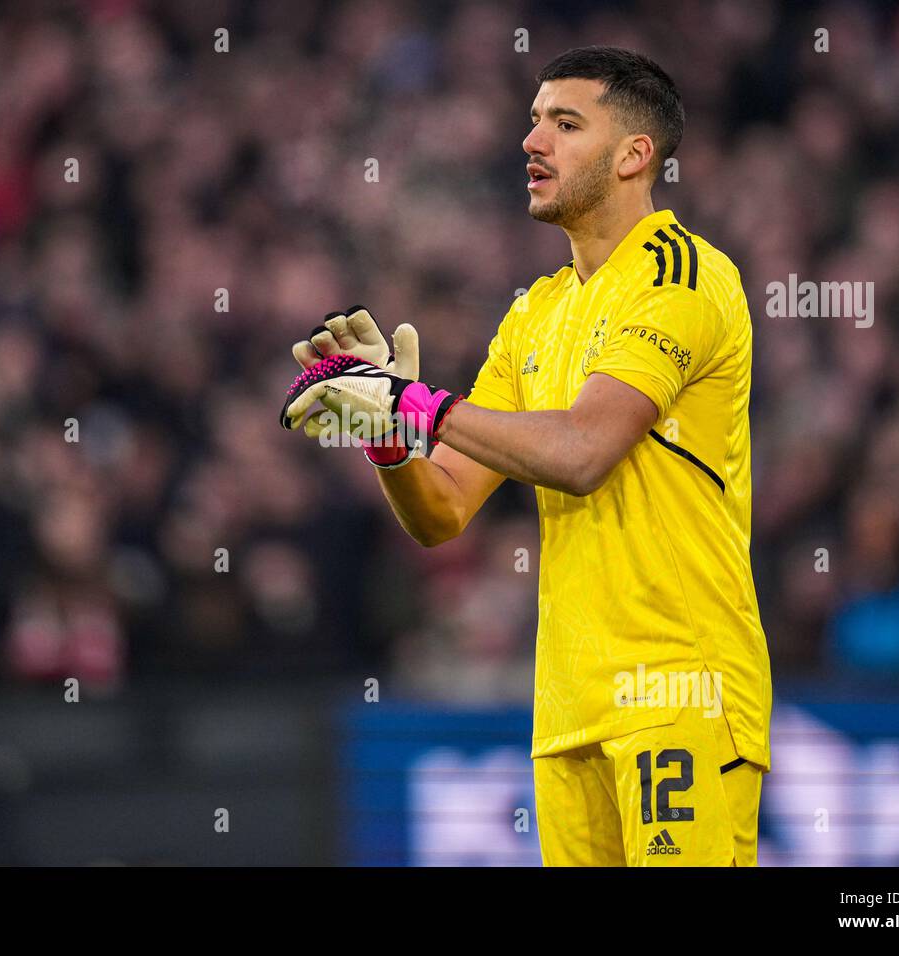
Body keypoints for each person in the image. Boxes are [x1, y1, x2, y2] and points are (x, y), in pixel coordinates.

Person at [285, 46, 771, 866]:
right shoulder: (536, 312)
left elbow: (582, 452)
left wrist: (414, 403)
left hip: (677, 691)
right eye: (534, 119)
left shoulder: (683, 277)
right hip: (568, 713)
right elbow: (441, 512)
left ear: (634, 155)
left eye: (565, 123)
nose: (531, 140)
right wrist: (385, 433)